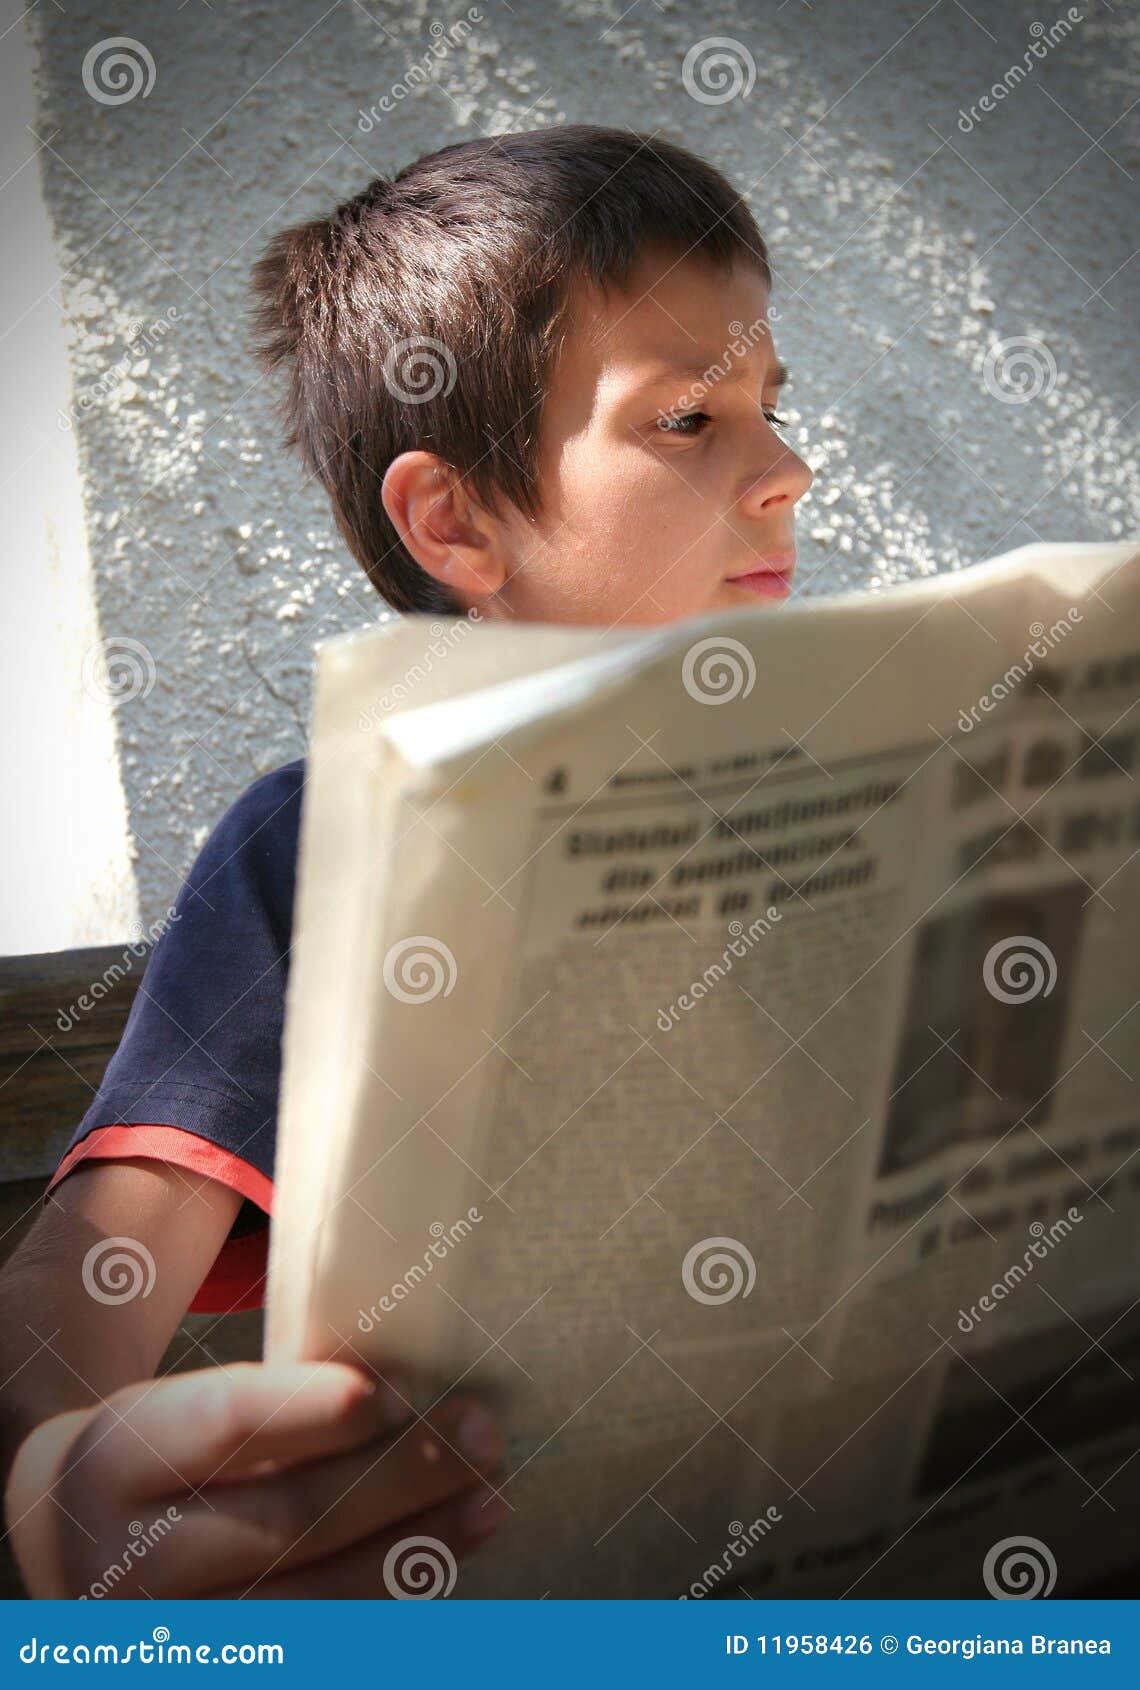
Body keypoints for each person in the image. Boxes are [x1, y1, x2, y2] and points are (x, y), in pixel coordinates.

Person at [1, 123, 812, 1598]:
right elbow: (74, 1311)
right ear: (456, 520)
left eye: (774, 407)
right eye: (692, 418)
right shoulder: (326, 844)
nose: (788, 471)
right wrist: (56, 1498)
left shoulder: (847, 791)